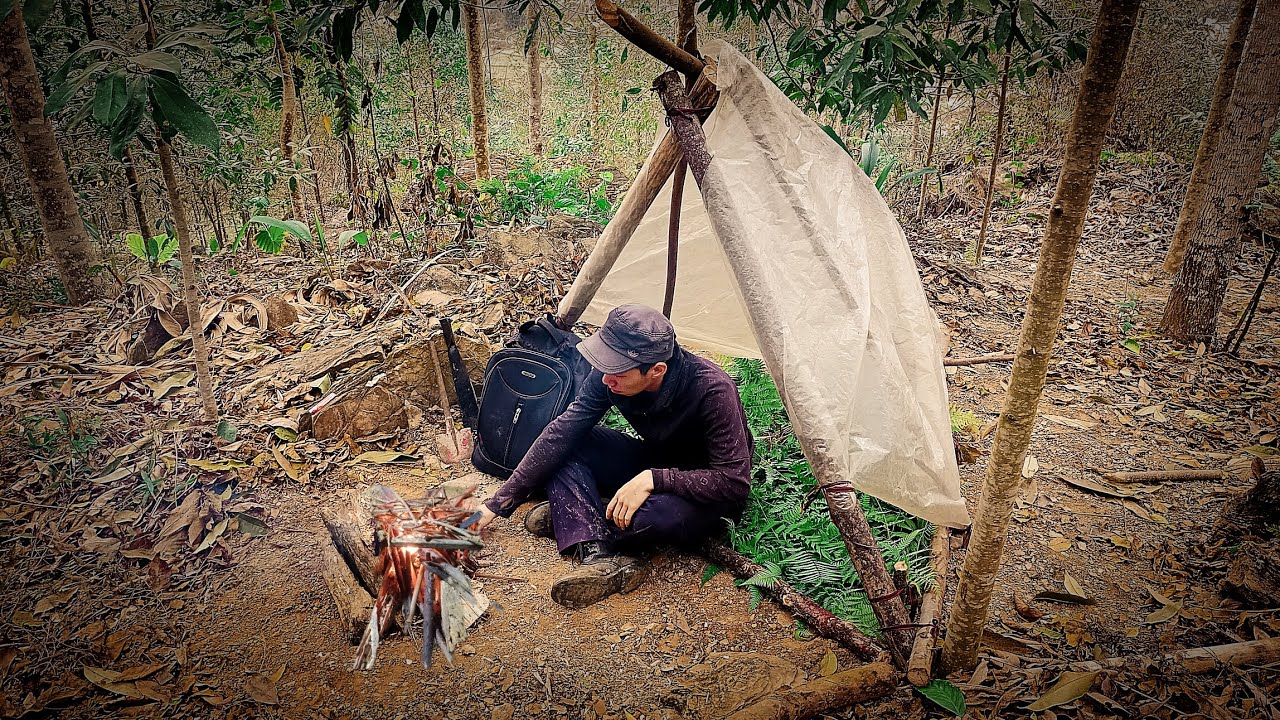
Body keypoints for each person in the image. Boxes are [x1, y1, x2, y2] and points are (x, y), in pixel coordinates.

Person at [475, 304, 754, 608]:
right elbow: (563, 432)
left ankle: (575, 516)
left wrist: (655, 479)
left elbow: (733, 482)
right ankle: (596, 553)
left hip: (704, 488)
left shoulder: (712, 389)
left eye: (618, 372)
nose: (606, 379)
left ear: (656, 371)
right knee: (571, 443)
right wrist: (497, 504)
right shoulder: (610, 375)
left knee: (656, 516)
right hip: (654, 459)